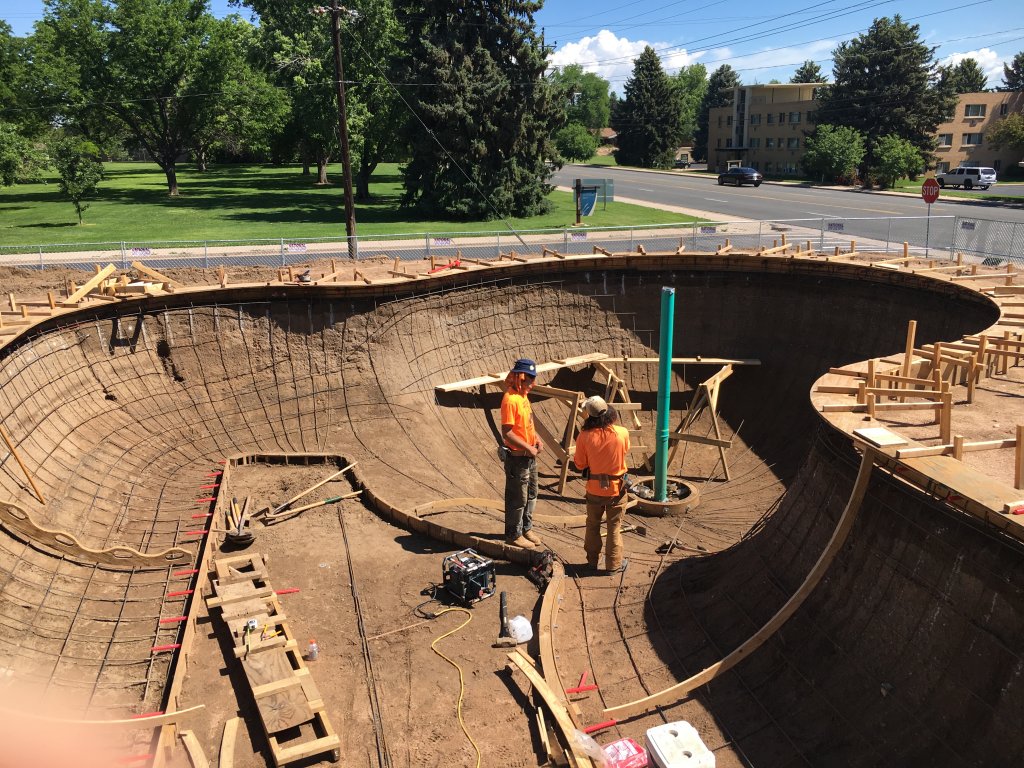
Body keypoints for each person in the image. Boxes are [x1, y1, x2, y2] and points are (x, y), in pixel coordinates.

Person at [573, 395, 631, 573]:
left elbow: (579, 464)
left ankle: (592, 562)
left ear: (589, 415)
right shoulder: (622, 433)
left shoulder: (584, 436)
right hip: (616, 490)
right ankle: (613, 565)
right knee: (614, 528)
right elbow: (625, 451)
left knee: (592, 525)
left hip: (594, 489)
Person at [501, 358, 545, 549]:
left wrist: (536, 438)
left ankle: (526, 528)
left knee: (532, 494)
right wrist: (527, 447)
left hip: (529, 457)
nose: (532, 384)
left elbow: (526, 423)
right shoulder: (510, 399)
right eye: (530, 380)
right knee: (517, 498)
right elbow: (507, 432)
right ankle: (513, 534)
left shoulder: (523, 397)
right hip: (518, 459)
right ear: (520, 377)